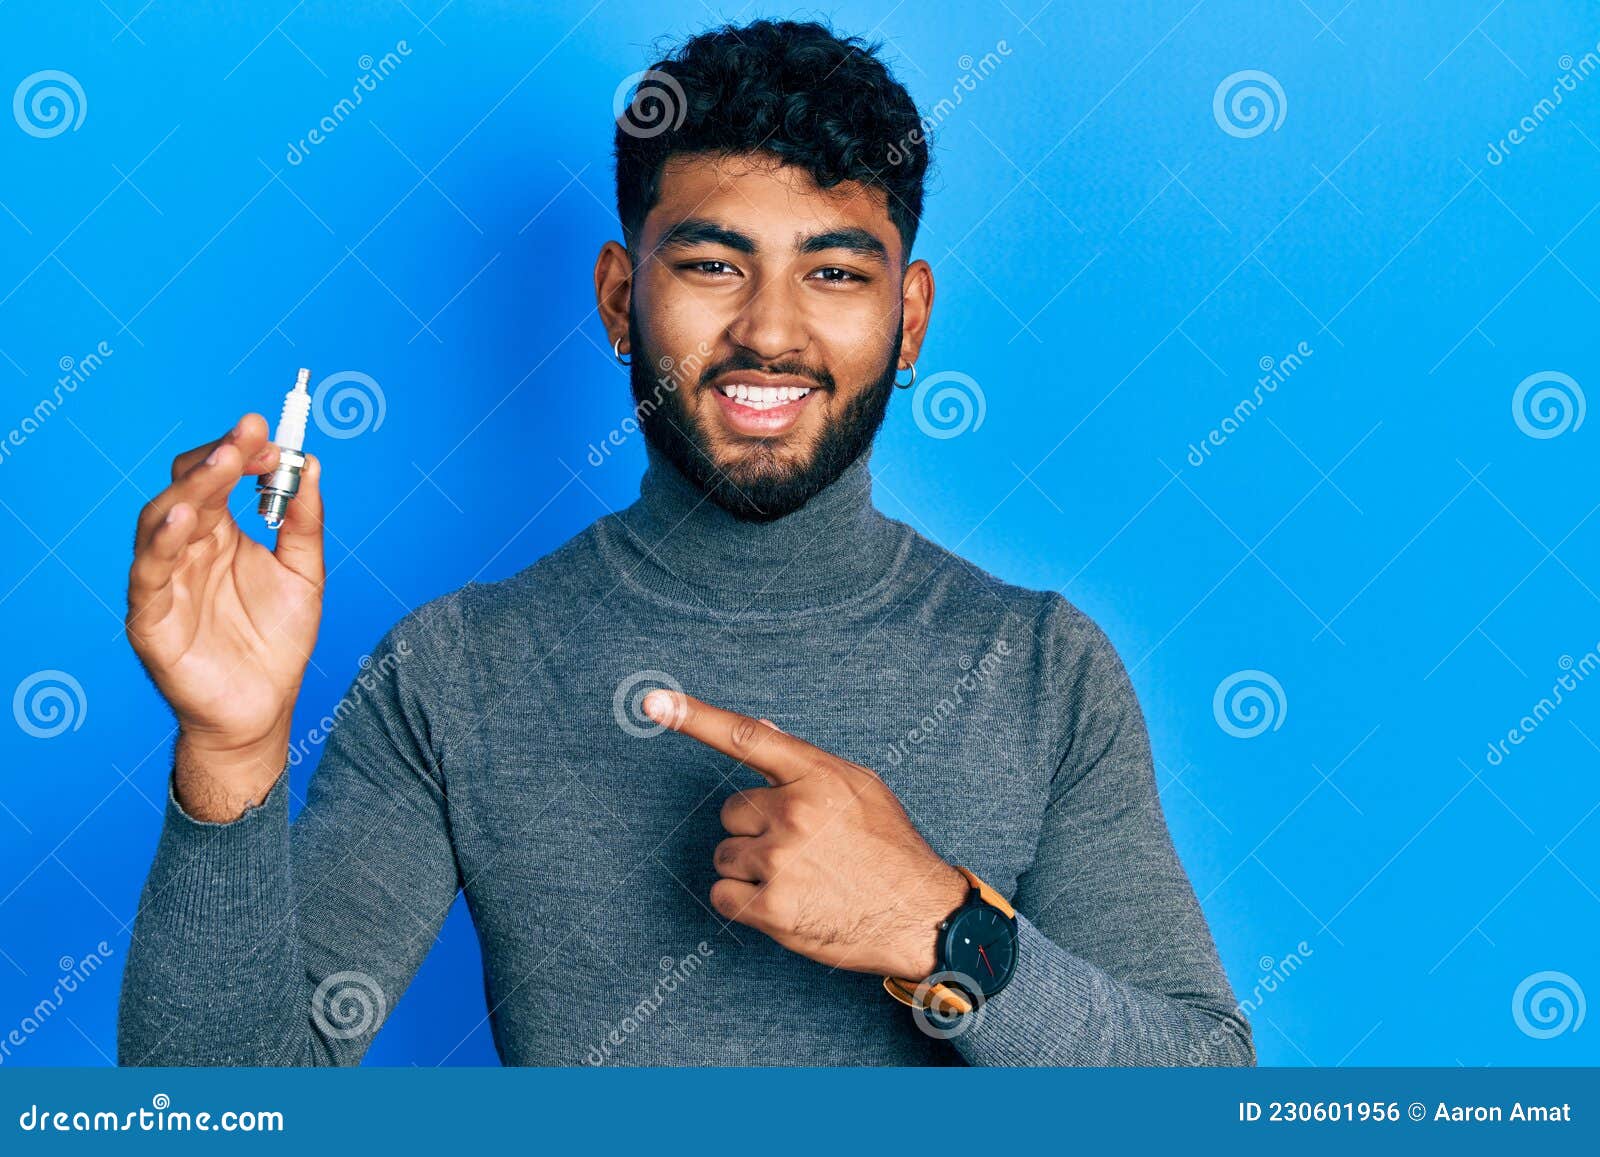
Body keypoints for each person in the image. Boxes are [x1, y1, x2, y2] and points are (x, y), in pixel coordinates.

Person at [118, 19, 1253, 1067]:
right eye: (713, 264)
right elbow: (218, 1108)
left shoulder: (1043, 668)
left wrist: (934, 927)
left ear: (908, 319)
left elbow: (1209, 1094)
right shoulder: (456, 669)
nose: (768, 329)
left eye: (835, 272)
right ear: (620, 300)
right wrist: (230, 753)